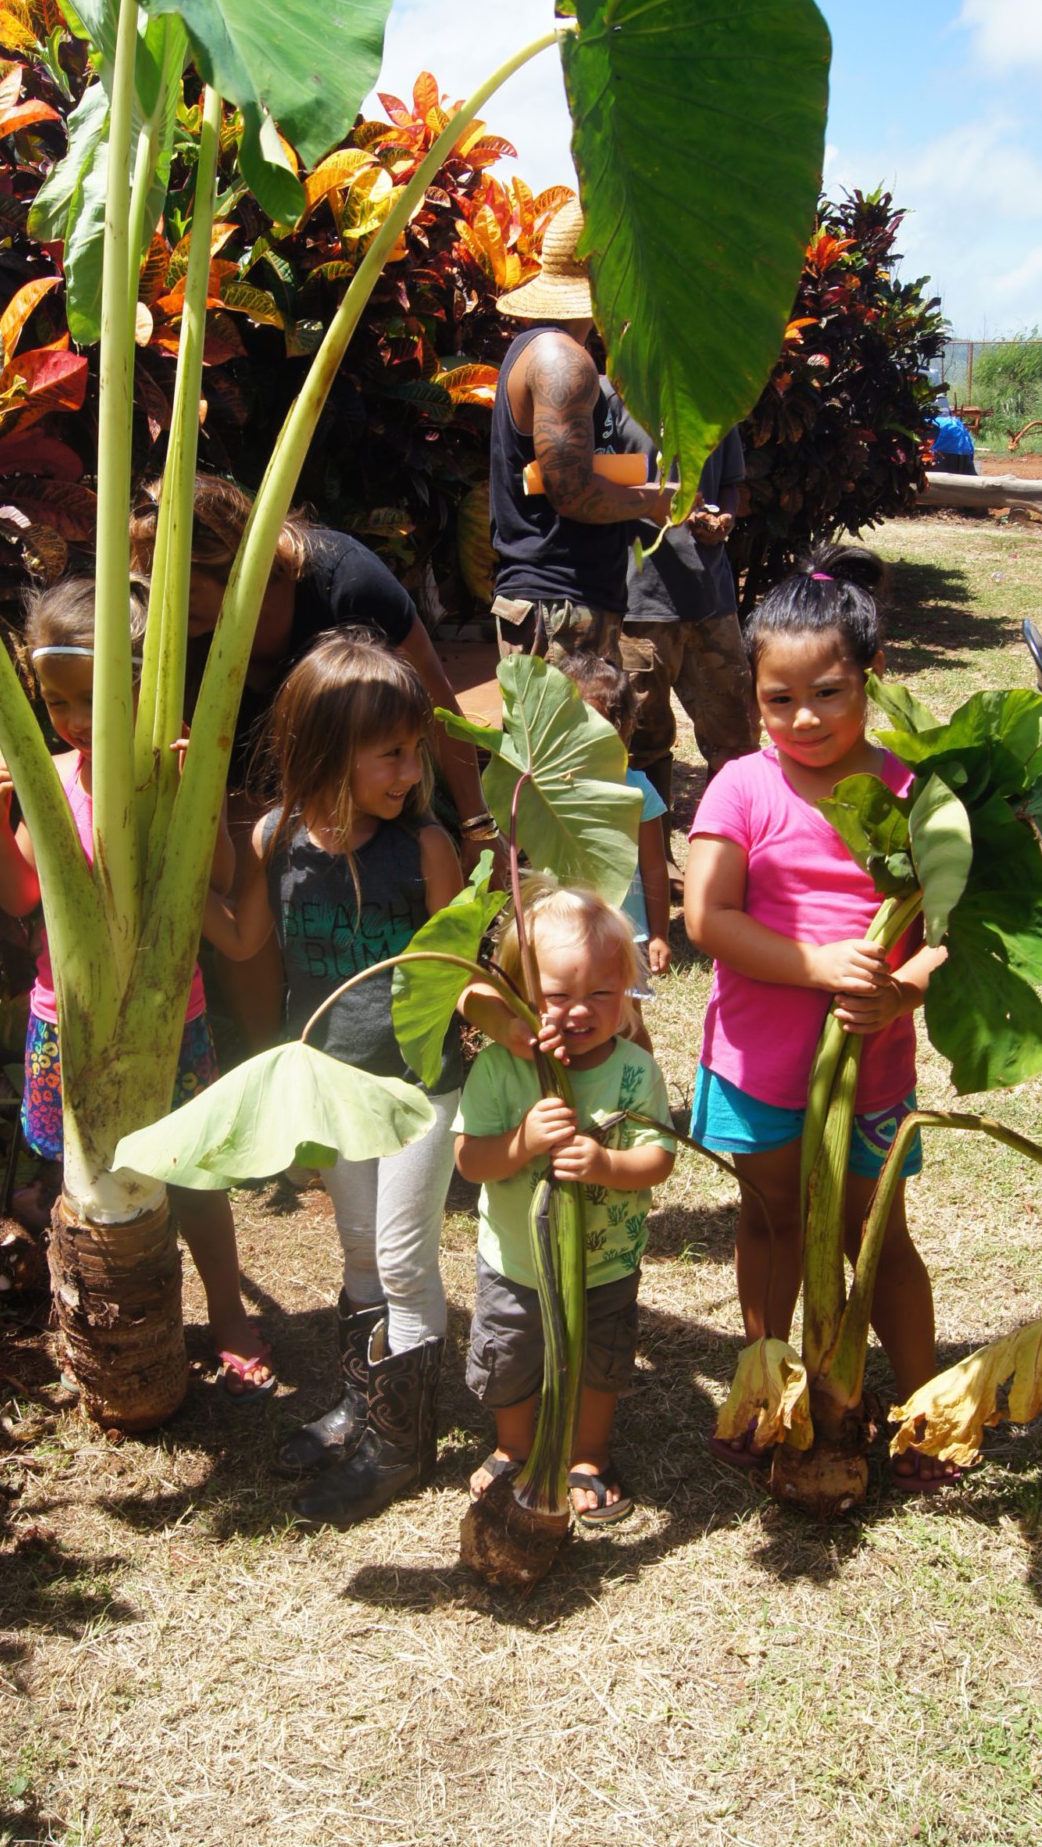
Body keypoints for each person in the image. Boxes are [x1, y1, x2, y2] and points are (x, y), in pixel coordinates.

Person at [682, 545, 955, 1489]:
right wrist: (816, 965)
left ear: (870, 678)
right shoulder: (741, 786)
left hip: (870, 1068)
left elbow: (947, 930)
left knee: (875, 1241)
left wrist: (902, 986)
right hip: (758, 1067)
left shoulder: (911, 791)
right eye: (777, 699)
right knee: (770, 1228)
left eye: (828, 693)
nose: (803, 719)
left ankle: (922, 1409)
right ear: (752, 696)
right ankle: (767, 1392)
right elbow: (705, 916)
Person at [0, 578, 277, 1397]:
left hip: (167, 1019)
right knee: (67, 1179)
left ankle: (226, 1310)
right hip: (63, 1019)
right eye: (56, 701)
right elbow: (21, 898)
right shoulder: (48, 780)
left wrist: (199, 797)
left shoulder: (165, 766)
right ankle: (82, 1307)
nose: (73, 722)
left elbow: (213, 875)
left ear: (139, 687)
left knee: (197, 1176)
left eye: (89, 699)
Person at [202, 629, 464, 1526]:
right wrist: (163, 868)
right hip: (333, 1081)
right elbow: (241, 938)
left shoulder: (424, 846)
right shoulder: (277, 837)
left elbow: (465, 962)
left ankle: (402, 1443)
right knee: (356, 1251)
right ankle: (363, 1403)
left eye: (413, 749)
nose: (409, 770)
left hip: (419, 1082)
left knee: (402, 1254)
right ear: (325, 753)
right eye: (389, 753)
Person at [130, 476, 497, 1045]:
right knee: (258, 882)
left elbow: (435, 705)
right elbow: (238, 926)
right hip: (245, 774)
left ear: (231, 571)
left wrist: (476, 822)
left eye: (175, 587)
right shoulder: (176, 630)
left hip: (366, 768)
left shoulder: (347, 587)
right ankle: (272, 1053)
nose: (161, 605)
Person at [454, 885, 676, 1525]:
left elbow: (658, 1158)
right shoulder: (501, 1068)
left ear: (626, 992)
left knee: (598, 1363)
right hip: (516, 1264)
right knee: (512, 1357)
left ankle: (588, 1455)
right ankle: (513, 1445)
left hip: (604, 1265)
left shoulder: (634, 1071)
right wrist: (523, 1142)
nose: (580, 1012)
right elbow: (472, 1160)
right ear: (522, 996)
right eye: (557, 995)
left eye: (601, 994)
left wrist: (607, 1163)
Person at [488, 197, 671, 663]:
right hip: (561, 606)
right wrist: (656, 501)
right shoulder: (563, 360)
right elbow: (570, 492)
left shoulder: (547, 350)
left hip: (570, 602)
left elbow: (564, 474)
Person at [609, 386, 759, 832]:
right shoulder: (613, 399)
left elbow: (731, 482)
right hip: (640, 602)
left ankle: (726, 840)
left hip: (709, 599)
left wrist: (726, 517)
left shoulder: (718, 401)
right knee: (641, 739)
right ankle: (655, 852)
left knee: (735, 732)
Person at [556, 653, 671, 987]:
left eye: (596, 727)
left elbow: (653, 866)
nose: (583, 738)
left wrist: (659, 933)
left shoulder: (637, 791)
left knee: (629, 1020)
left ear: (624, 729)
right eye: (570, 724)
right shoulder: (542, 789)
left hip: (626, 933)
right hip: (562, 930)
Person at [929, 396, 977, 476]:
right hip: (961, 458)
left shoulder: (926, 423)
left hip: (940, 460)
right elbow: (970, 447)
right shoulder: (956, 423)